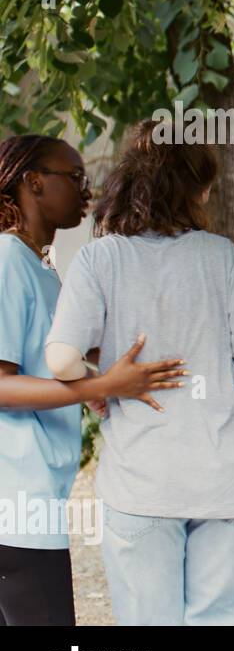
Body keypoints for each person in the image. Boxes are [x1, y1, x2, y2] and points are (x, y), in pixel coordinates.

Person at [45, 122, 234, 625]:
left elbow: (60, 361)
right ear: (197, 189)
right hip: (226, 485)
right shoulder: (221, 257)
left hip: (141, 484)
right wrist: (216, 372)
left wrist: (103, 381)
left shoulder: (98, 260)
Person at [0, 134, 185, 626]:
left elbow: (44, 365)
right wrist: (101, 388)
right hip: (13, 505)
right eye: (74, 177)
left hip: (34, 499)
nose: (87, 190)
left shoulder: (40, 265)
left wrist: (93, 379)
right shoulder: (6, 261)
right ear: (33, 182)